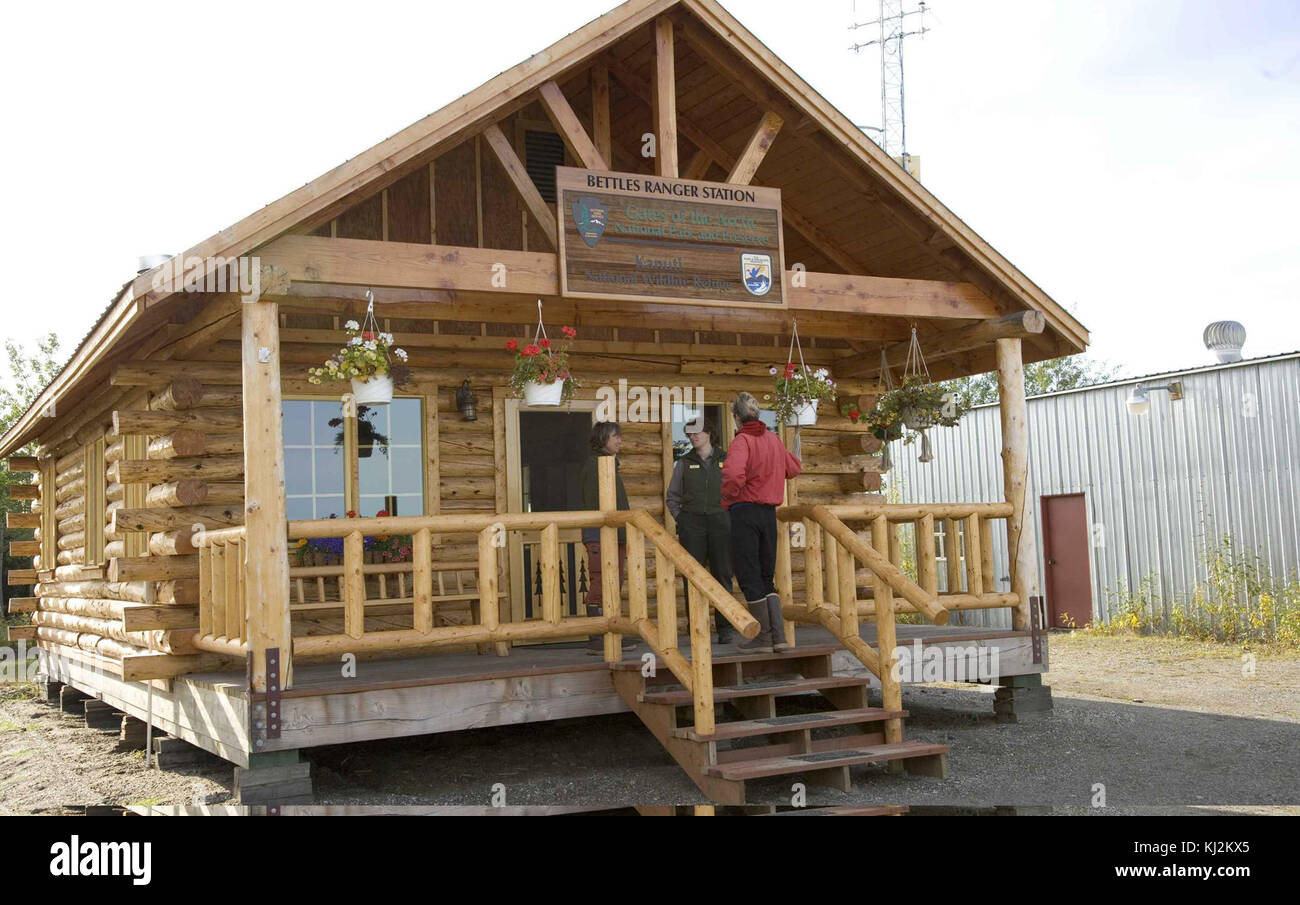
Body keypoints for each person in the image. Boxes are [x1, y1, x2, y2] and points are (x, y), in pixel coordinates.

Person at [720, 392, 802, 653]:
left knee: (748, 573)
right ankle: (778, 637)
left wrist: (728, 498)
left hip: (745, 511)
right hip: (769, 515)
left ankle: (764, 639)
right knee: (767, 576)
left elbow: (733, 475)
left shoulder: (742, 441)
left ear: (736, 418)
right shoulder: (775, 440)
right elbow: (794, 468)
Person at [666, 418, 735, 644]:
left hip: (721, 524)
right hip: (692, 526)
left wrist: (730, 517)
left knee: (722, 575)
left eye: (696, 433)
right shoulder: (684, 463)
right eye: (689, 434)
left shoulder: (727, 459)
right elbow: (672, 497)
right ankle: (697, 626)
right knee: (693, 577)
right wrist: (682, 520)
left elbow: (738, 491)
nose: (693, 437)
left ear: (708, 433)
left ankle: (725, 628)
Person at [578, 420, 637, 654]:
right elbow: (597, 504)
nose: (619, 440)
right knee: (601, 581)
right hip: (600, 534)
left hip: (616, 534)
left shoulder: (609, 464)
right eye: (615, 436)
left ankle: (610, 632)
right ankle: (597, 636)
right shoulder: (596, 465)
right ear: (603, 439)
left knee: (614, 581)